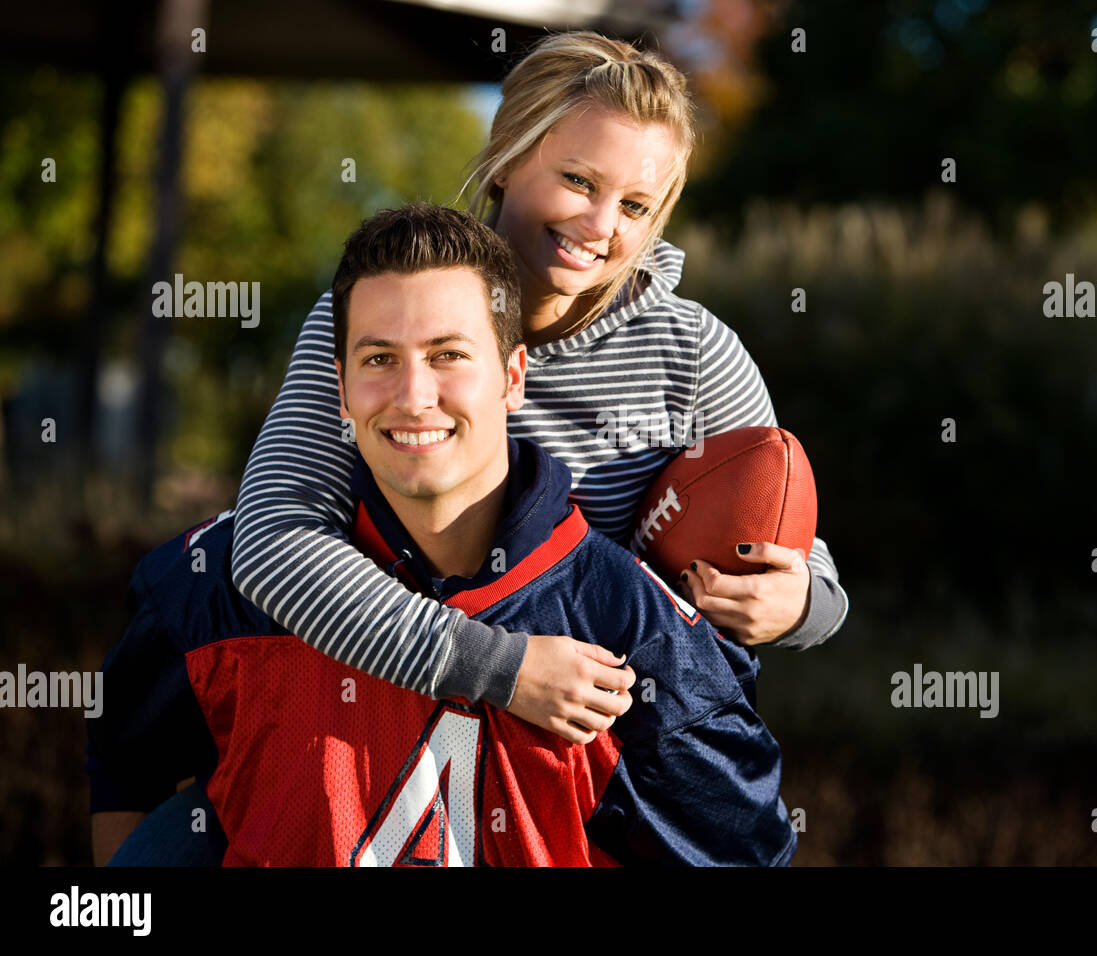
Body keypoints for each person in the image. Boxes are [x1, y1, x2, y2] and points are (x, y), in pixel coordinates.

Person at [88, 202, 796, 866]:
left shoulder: (634, 630)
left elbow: (741, 848)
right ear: (338, 386)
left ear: (513, 377)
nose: (413, 395)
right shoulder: (219, 583)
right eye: (378, 359)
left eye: (449, 355)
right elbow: (125, 772)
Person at [231, 30, 849, 742]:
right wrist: (500, 669)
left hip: (592, 783)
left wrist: (795, 604)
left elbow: (809, 573)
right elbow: (274, 543)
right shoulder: (377, 311)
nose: (600, 226)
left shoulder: (694, 353)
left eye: (636, 206)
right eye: (579, 181)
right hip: (372, 749)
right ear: (506, 161)